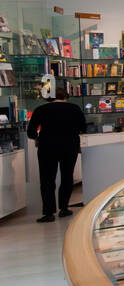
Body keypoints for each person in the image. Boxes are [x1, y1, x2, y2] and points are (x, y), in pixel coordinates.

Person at [26, 87, 87, 222]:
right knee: (67, 176)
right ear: (65, 96)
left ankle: (48, 212)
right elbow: (83, 127)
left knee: (47, 179)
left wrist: (37, 138)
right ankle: (64, 208)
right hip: (69, 146)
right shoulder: (74, 108)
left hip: (47, 146)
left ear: (49, 97)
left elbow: (31, 131)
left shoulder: (41, 109)